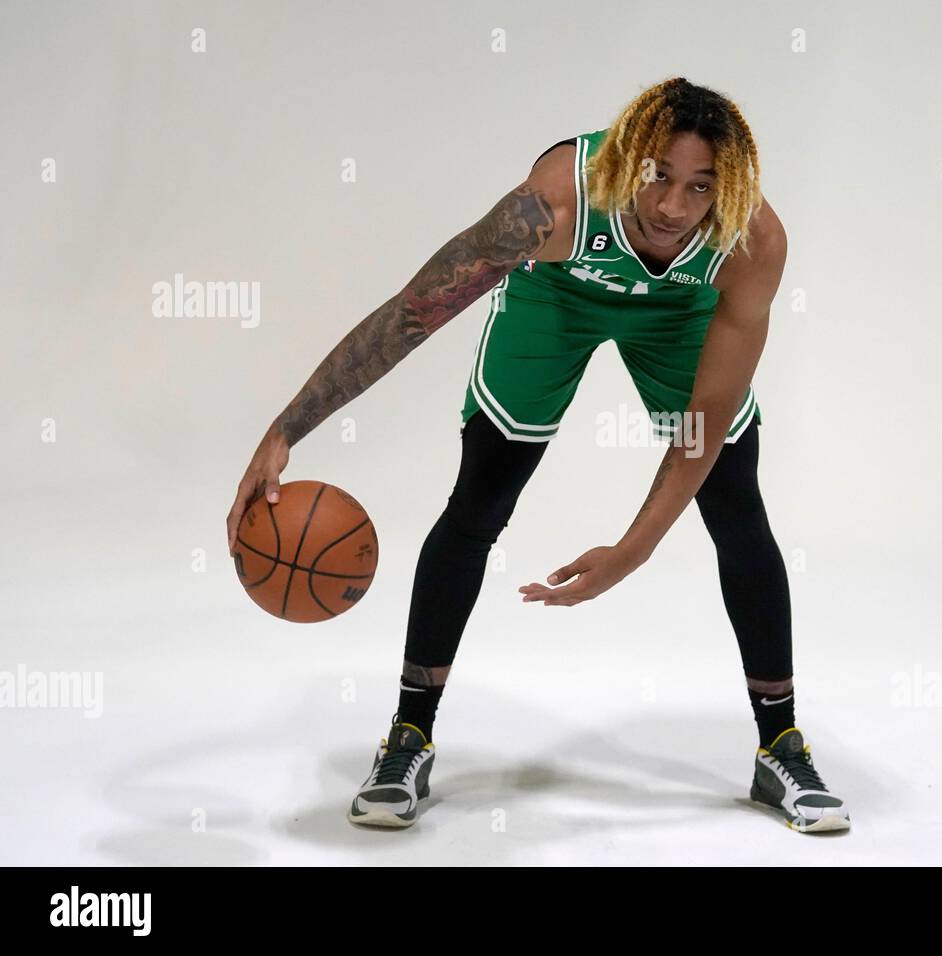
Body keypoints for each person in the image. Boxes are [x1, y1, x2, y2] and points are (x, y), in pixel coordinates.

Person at [226, 77, 849, 834]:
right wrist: (289, 427)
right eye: (657, 175)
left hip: (680, 314)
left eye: (700, 187)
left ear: (730, 189)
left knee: (734, 502)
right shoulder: (554, 206)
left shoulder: (752, 241)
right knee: (481, 500)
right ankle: (409, 736)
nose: (673, 207)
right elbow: (412, 314)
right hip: (556, 295)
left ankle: (780, 743)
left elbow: (703, 423)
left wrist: (632, 550)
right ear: (628, 161)